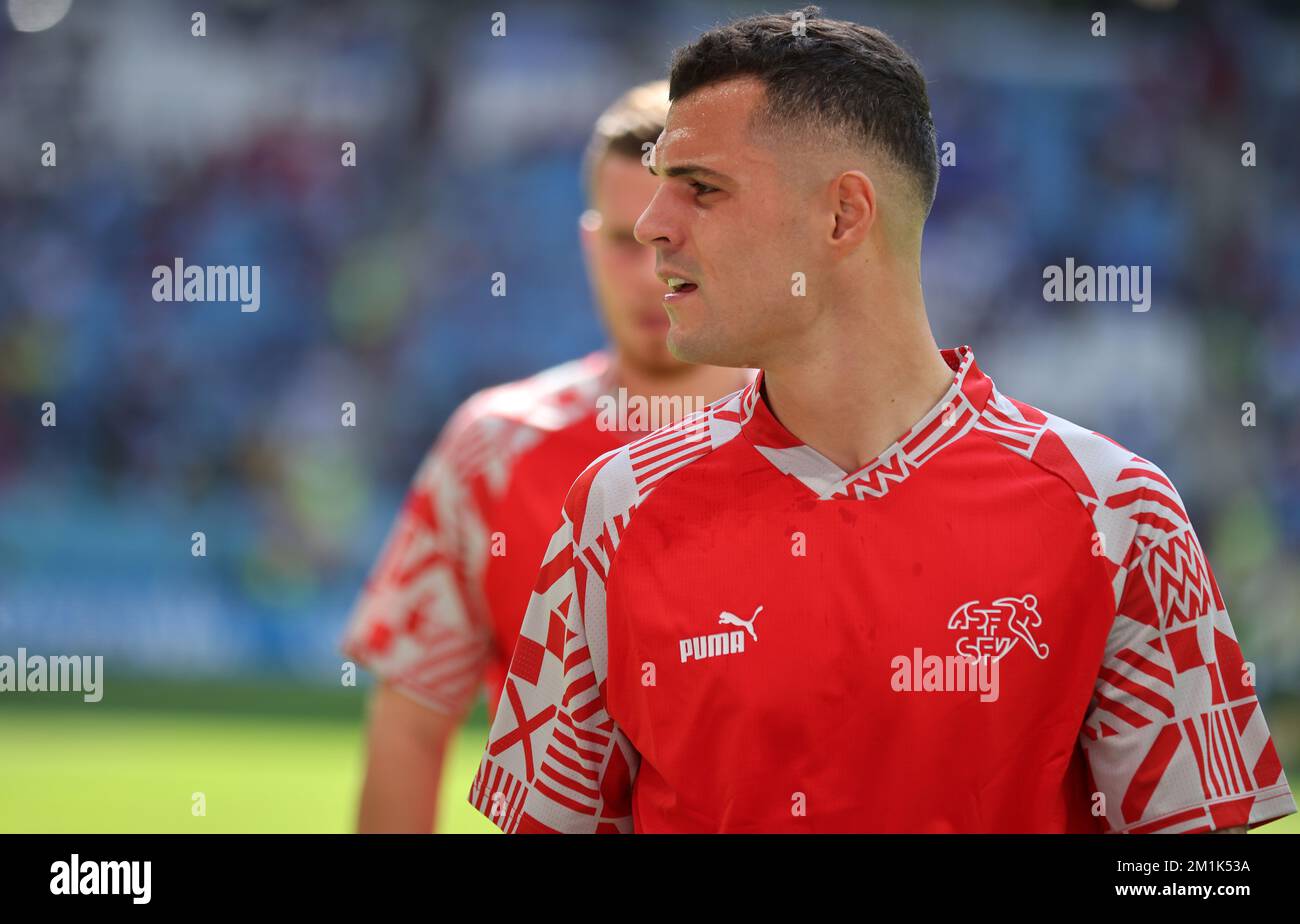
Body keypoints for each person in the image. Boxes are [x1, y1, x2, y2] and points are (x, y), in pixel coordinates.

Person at [467, 7, 1296, 833]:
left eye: (701, 188)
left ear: (843, 215)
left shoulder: (1117, 514)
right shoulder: (612, 513)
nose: (651, 225)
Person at [340, 80, 752, 833]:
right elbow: (410, 722)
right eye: (628, 242)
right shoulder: (494, 448)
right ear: (589, 242)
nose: (650, 273)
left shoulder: (826, 446)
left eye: (679, 239)